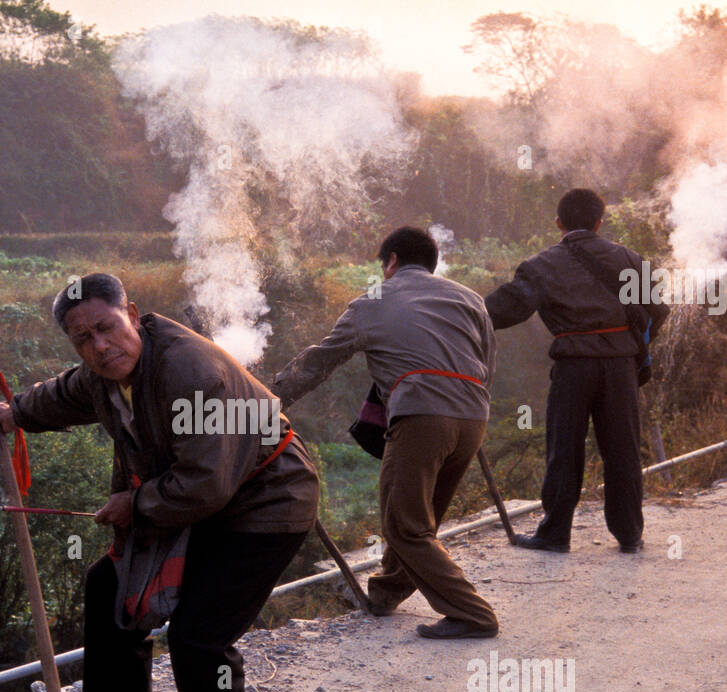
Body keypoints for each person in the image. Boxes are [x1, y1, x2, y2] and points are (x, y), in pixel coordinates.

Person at [0, 273, 318, 692]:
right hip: (193, 498)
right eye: (83, 339)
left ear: (131, 313)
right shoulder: (104, 374)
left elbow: (206, 485)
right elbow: (68, 392)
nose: (99, 346)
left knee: (199, 638)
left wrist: (135, 504)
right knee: (107, 585)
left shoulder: (192, 372)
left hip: (265, 501)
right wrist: (16, 413)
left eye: (107, 328)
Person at [271, 226, 499, 640]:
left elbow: (319, 362)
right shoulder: (470, 298)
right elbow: (487, 362)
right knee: (417, 519)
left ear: (390, 261)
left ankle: (473, 612)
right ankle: (385, 593)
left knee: (404, 526)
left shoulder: (372, 302)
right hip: (473, 417)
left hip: (422, 416)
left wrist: (267, 399)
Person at [485, 189, 669, 554]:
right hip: (620, 367)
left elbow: (505, 309)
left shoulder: (540, 265)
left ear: (558, 223)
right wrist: (632, 347)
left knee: (564, 448)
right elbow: (658, 310)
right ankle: (629, 534)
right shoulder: (629, 259)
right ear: (600, 222)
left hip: (574, 366)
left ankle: (555, 534)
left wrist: (459, 308)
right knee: (623, 448)